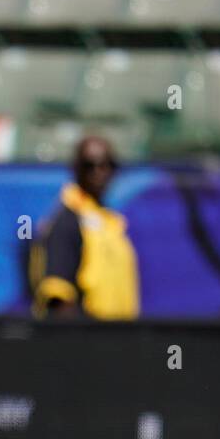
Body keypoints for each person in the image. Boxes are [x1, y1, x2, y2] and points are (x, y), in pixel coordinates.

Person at [27, 135, 139, 320]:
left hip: (118, 338)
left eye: (107, 165)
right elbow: (58, 296)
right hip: (89, 340)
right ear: (76, 169)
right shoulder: (67, 221)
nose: (99, 172)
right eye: (89, 165)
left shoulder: (110, 224)